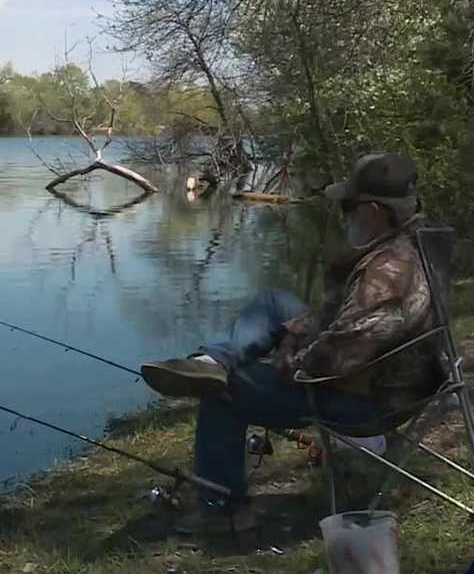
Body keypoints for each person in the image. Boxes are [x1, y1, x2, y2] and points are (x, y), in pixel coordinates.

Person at [140, 153, 441, 533]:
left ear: (375, 211)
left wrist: (289, 357)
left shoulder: (388, 272)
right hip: (382, 377)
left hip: (363, 403)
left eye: (349, 205)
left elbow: (336, 359)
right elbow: (351, 334)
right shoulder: (412, 242)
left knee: (222, 392)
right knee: (273, 303)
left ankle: (222, 510)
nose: (342, 212)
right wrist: (303, 332)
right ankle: (212, 359)